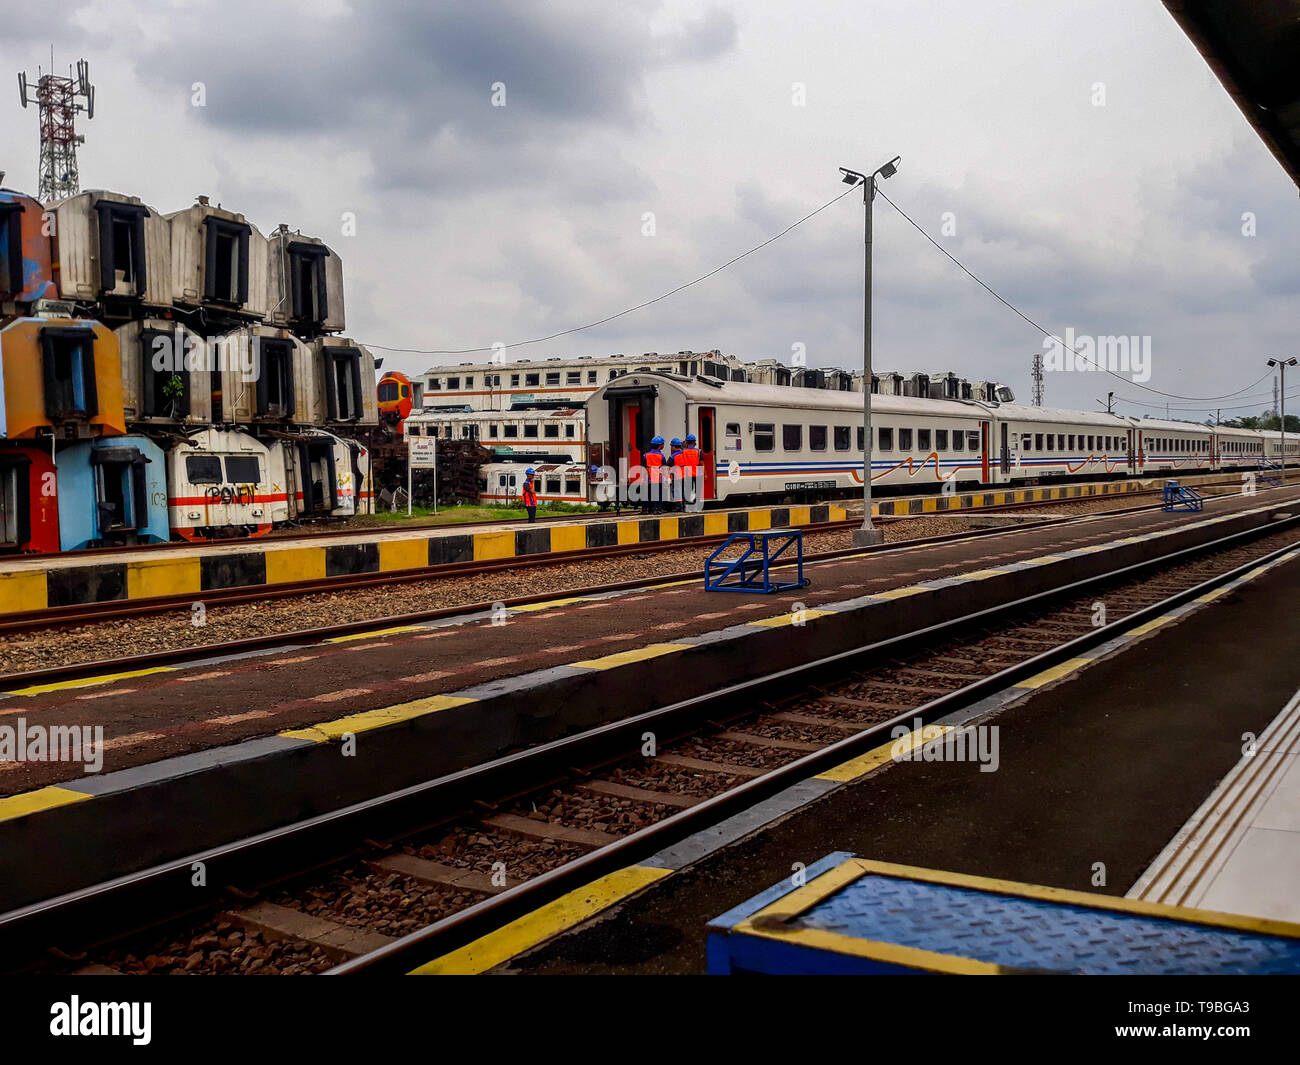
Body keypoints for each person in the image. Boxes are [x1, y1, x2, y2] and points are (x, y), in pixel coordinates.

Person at [644, 436, 666, 513]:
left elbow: (643, 467)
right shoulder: (661, 456)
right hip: (658, 478)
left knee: (649, 493)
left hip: (648, 478)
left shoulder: (646, 455)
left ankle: (650, 509)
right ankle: (658, 509)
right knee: (658, 494)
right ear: (660, 445)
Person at [681, 433, 701, 507]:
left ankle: (688, 503)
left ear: (687, 442)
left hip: (687, 473)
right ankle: (697, 503)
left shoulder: (683, 452)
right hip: (697, 473)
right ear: (694, 442)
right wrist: (704, 474)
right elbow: (701, 463)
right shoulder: (698, 451)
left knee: (688, 489)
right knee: (697, 489)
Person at [668, 438, 684, 509]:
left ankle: (678, 507)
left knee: (677, 491)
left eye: (672, 446)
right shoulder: (685, 454)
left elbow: (667, 467)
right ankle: (684, 506)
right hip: (686, 475)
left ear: (674, 447)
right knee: (684, 490)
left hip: (677, 476)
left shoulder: (673, 456)